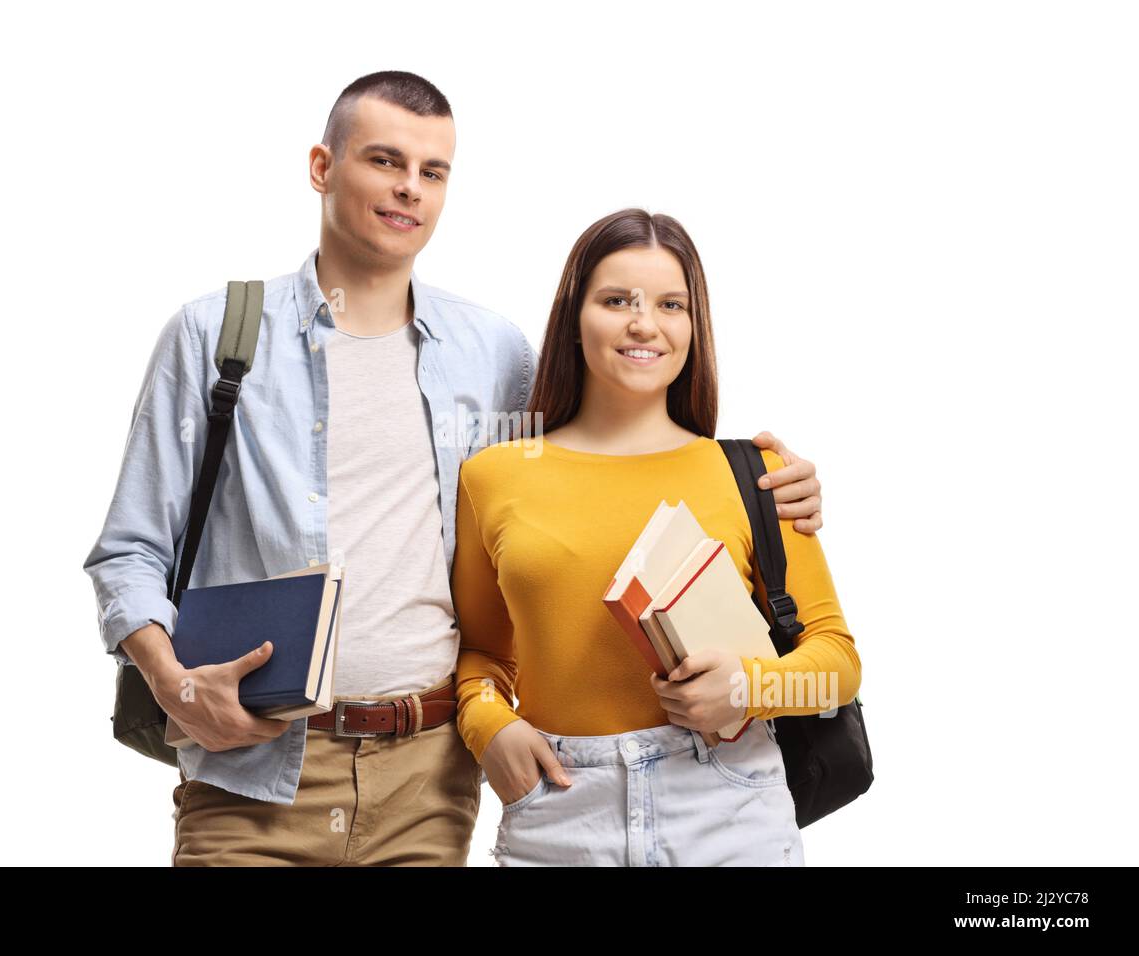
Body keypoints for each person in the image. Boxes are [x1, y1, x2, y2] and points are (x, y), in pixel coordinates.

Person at [83, 73, 827, 867]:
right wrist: (176, 684)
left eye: (433, 172)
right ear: (321, 166)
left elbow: (603, 452)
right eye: (384, 160)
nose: (409, 188)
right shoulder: (216, 337)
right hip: (252, 769)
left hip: (429, 776)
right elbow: (129, 552)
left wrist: (759, 481)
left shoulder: (494, 354)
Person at [451, 208, 861, 866]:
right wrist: (487, 726)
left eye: (672, 304)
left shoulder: (757, 474)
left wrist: (748, 688)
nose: (645, 324)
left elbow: (838, 667)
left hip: (724, 802)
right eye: (617, 301)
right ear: (574, 317)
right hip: (559, 807)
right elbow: (481, 653)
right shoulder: (495, 475)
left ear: (693, 326)